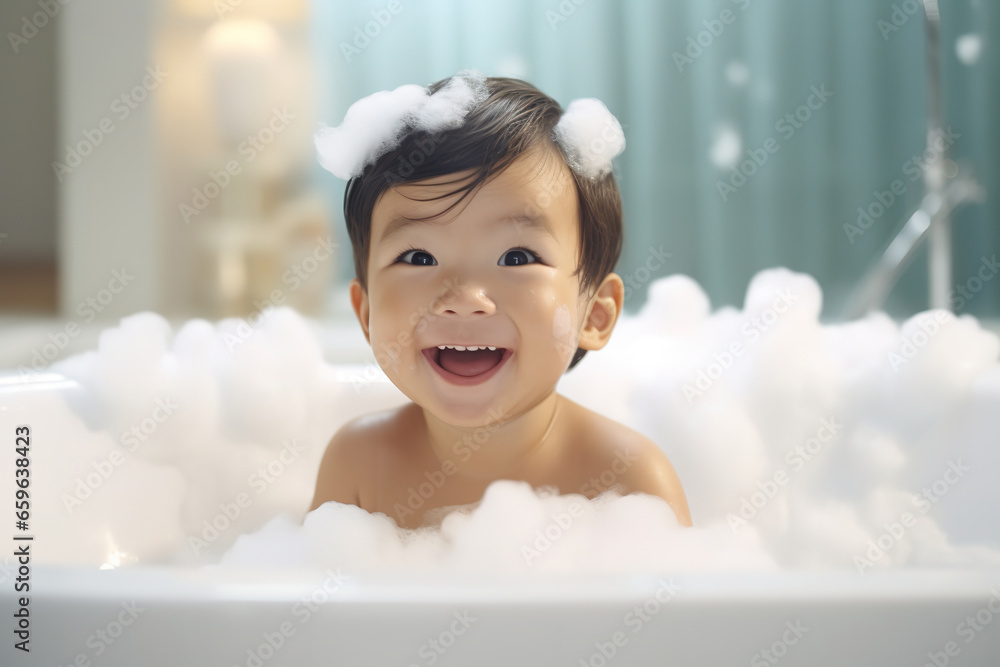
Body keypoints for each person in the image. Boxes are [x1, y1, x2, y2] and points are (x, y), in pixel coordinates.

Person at [309, 72, 691, 530]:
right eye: (418, 256)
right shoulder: (358, 466)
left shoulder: (628, 482)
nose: (465, 299)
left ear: (595, 314)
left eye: (516, 257)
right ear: (366, 315)